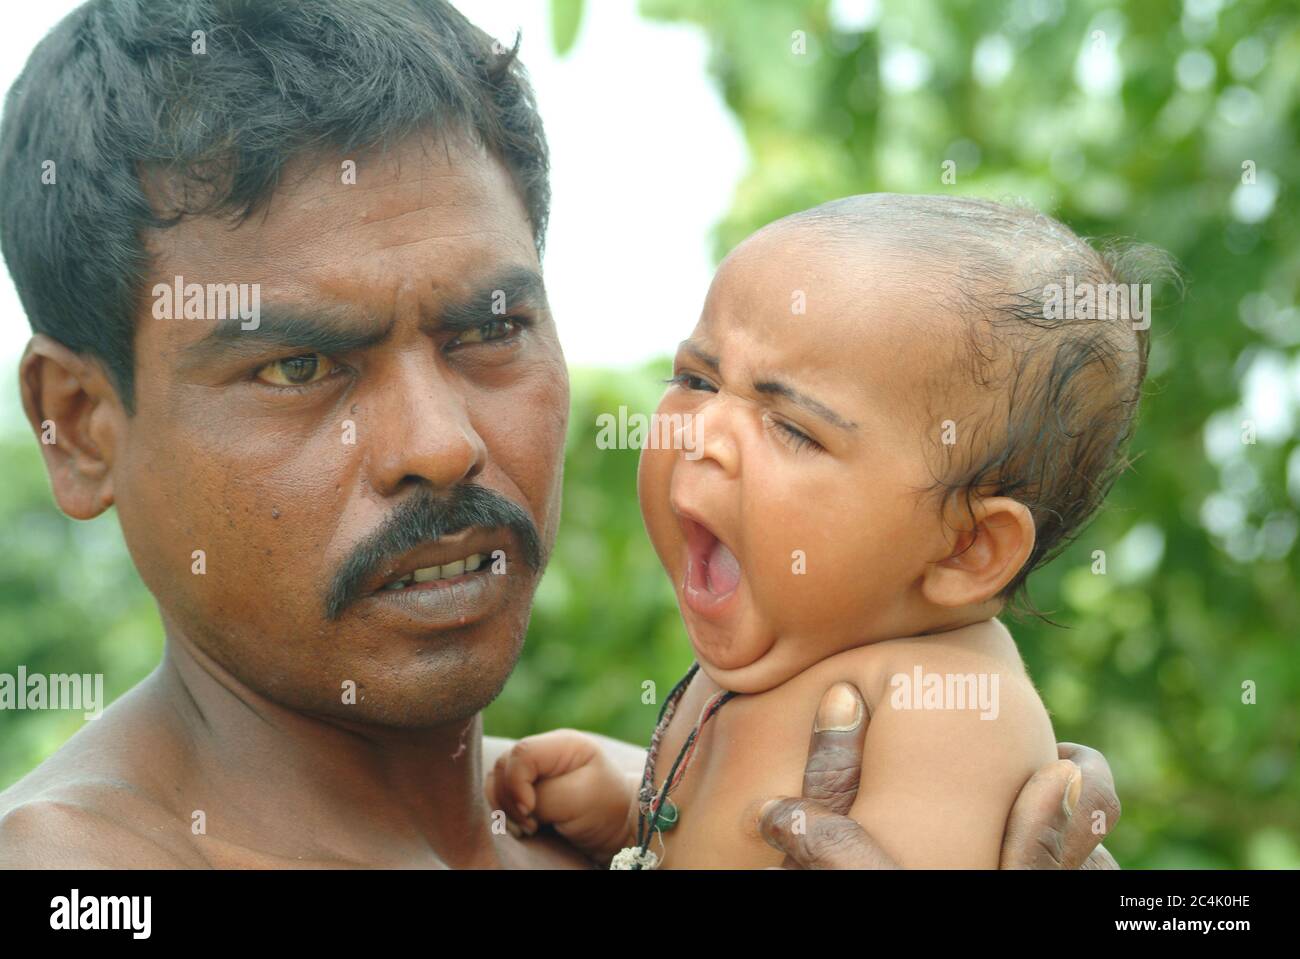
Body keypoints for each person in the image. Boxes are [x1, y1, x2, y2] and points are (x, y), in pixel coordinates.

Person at [0, 0, 1118, 869]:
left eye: (488, 328)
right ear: (80, 426)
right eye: (299, 366)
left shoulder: (621, 814)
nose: (437, 445)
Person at [489, 194, 1152, 868]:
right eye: (696, 378)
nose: (705, 432)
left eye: (793, 426)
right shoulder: (779, 656)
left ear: (967, 548)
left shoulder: (949, 713)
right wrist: (638, 814)